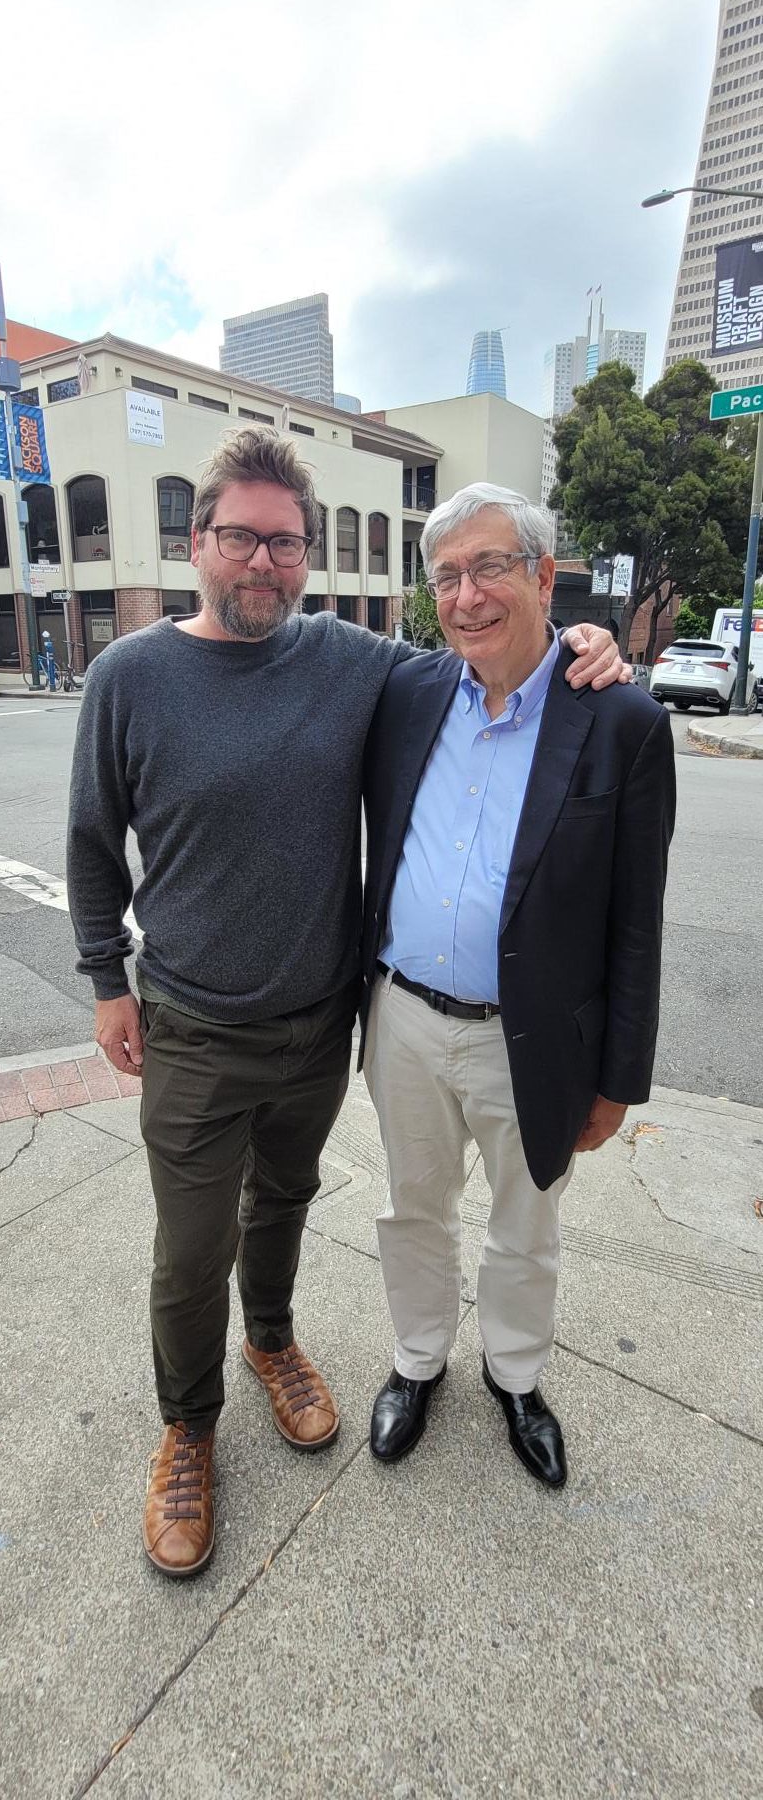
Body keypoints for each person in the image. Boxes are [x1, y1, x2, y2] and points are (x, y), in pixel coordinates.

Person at [66, 432, 627, 1578]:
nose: (261, 561)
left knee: (284, 1201)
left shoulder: (355, 662)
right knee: (190, 1243)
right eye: (239, 537)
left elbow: (486, 649)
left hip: (323, 1023)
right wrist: (103, 980)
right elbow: (90, 844)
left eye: (283, 541)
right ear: (199, 542)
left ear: (307, 554)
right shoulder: (128, 674)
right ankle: (188, 1424)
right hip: (190, 1021)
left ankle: (273, 1342)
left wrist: (586, 640)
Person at [360, 483, 676, 1485]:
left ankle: (515, 1372)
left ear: (544, 575)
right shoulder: (407, 692)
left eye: (492, 566)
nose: (468, 595)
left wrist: (619, 1078)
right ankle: (417, 1360)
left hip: (530, 1033)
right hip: (404, 1016)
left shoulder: (619, 719)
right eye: (447, 575)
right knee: (411, 1204)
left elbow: (637, 920)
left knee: (525, 1216)